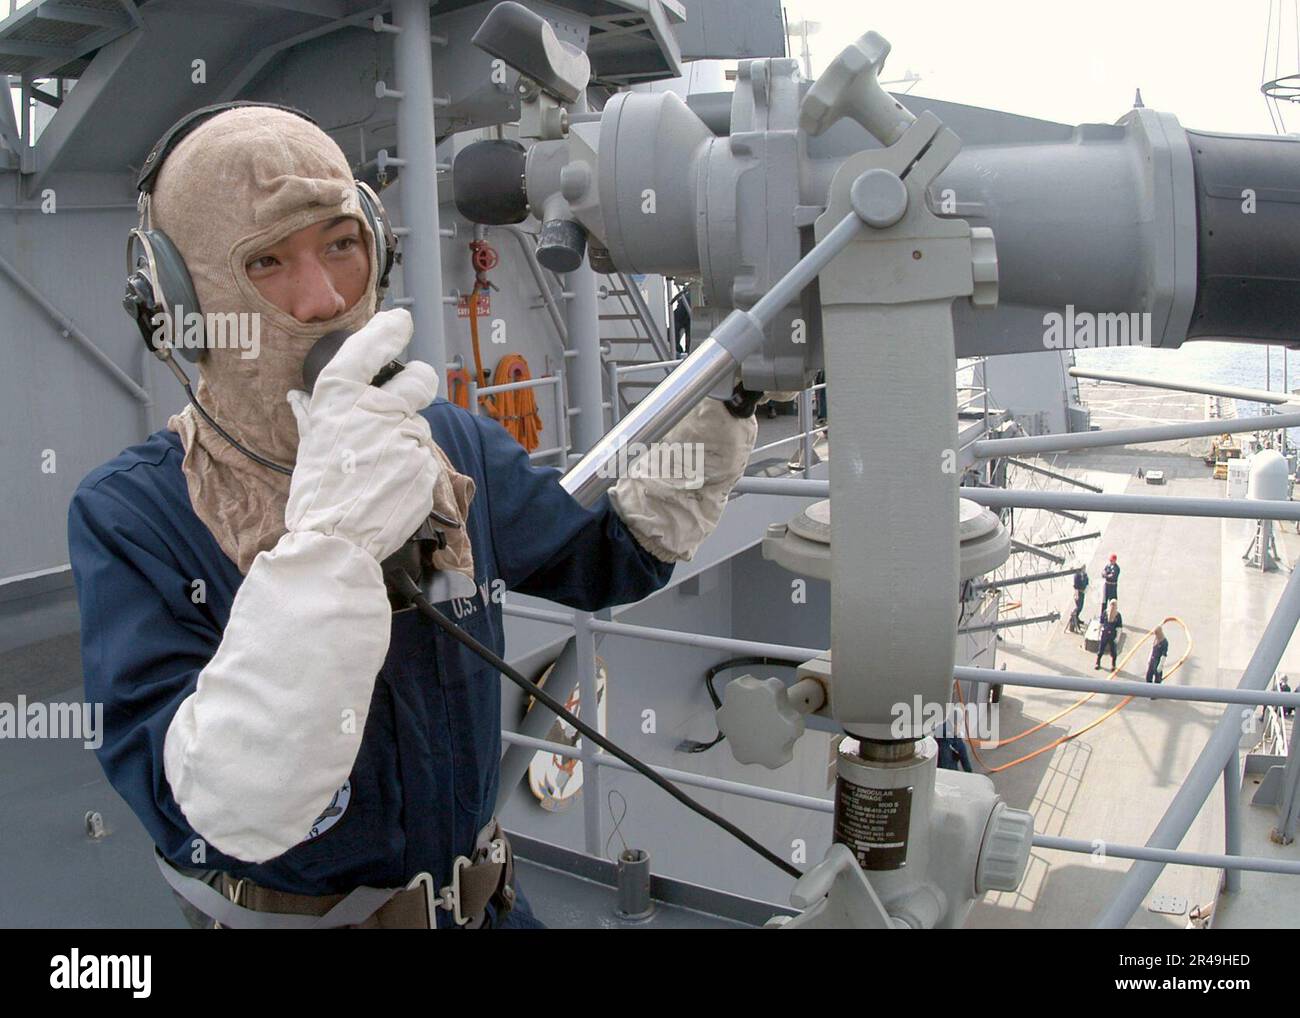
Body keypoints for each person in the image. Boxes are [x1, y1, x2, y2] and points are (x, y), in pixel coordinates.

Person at [68, 105, 762, 930]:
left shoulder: (449, 445)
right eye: (267, 262)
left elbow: (608, 558)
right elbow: (213, 806)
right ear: (181, 303)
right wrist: (331, 546)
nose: (325, 298)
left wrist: (732, 396)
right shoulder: (135, 513)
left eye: (340, 244)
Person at [1095, 599, 1123, 670]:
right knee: (1101, 649)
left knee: (1113, 651)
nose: (1112, 607)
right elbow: (1101, 624)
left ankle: (1113, 665)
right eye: (1111, 605)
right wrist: (1098, 634)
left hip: (1112, 635)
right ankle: (1097, 662)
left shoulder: (1117, 615)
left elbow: (1119, 628)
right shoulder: (1105, 613)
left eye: (1114, 605)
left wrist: (1117, 638)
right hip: (1105, 634)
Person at [1069, 566, 1089, 632]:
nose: (1084, 570)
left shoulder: (1085, 574)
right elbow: (1076, 586)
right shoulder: (1077, 575)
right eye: (1083, 569)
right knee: (1078, 606)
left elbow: (1087, 581)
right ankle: (1074, 618)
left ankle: (1077, 617)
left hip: (1083, 592)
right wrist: (1076, 594)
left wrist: (1086, 587)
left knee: (1081, 606)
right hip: (1078, 592)